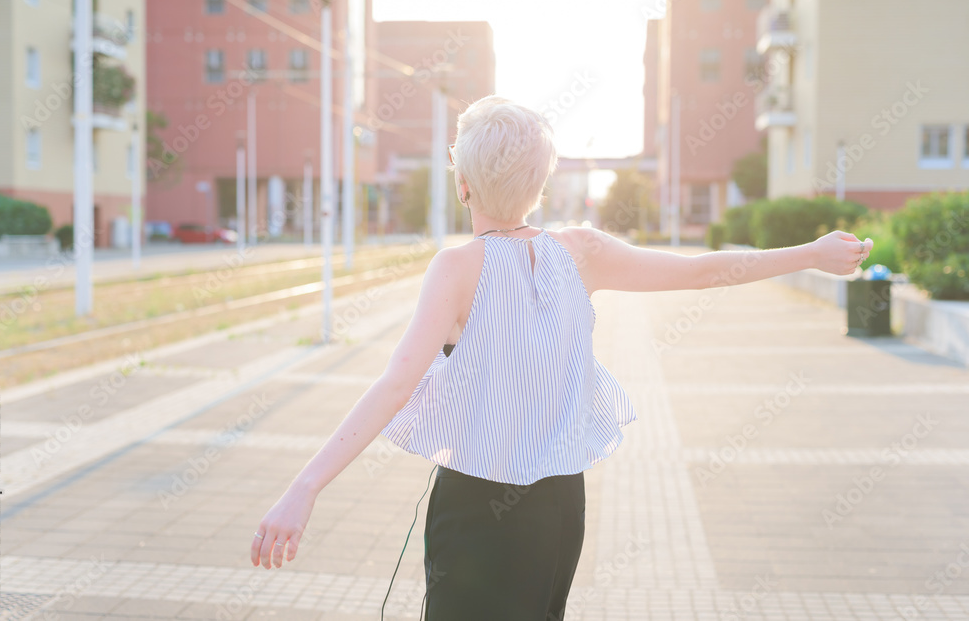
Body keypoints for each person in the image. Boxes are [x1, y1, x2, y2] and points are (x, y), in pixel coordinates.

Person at [249, 95, 873, 619]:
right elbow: (704, 272)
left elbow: (393, 386)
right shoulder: (582, 252)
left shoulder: (456, 269)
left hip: (475, 507)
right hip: (557, 508)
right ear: (540, 185)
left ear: (462, 184)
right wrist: (809, 252)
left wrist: (304, 488)